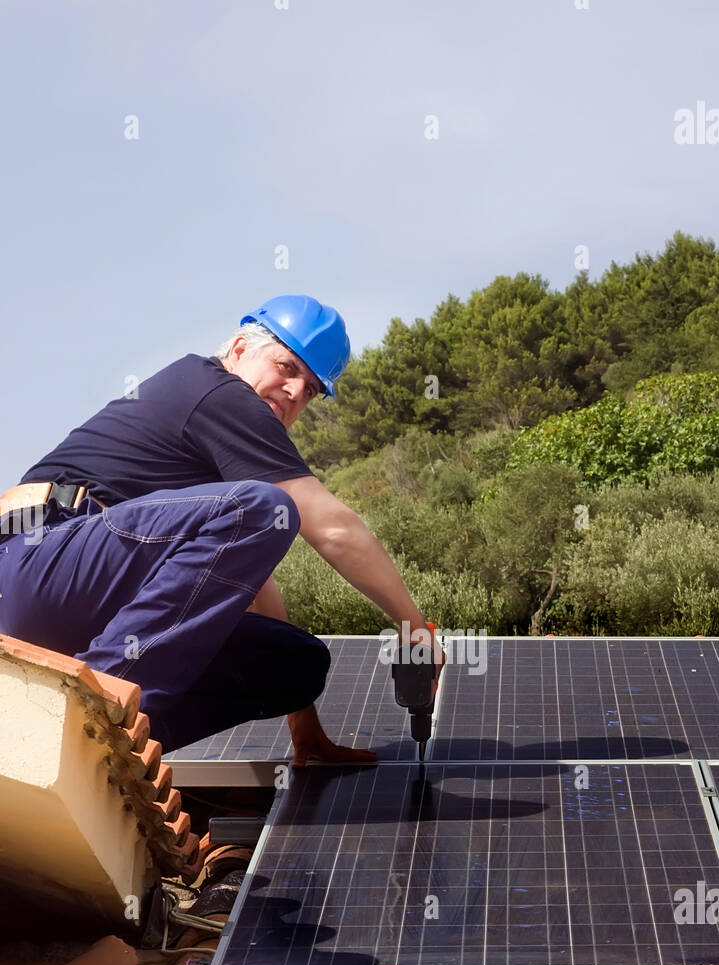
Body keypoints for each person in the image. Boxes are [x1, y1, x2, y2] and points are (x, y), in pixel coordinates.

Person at [0, 295, 443, 762]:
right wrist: (414, 627)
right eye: (286, 367)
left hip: (78, 597)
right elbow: (331, 527)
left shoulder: (221, 474)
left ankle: (123, 751)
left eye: (311, 389)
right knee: (265, 507)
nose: (295, 391)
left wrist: (305, 729)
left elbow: (251, 587)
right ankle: (93, 713)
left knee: (295, 663)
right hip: (31, 558)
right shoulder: (217, 392)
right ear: (237, 348)